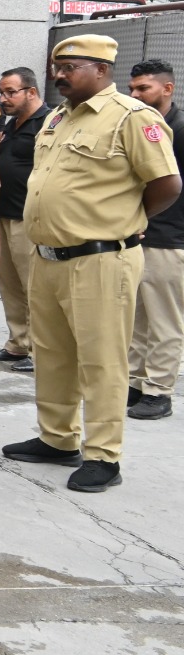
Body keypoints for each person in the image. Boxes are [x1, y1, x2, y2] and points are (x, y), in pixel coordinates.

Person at [5, 34, 180, 492]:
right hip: (48, 256)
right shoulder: (58, 119)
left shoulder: (131, 118)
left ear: (102, 70)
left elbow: (166, 183)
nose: (59, 75)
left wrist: (129, 217)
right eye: (56, 67)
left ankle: (105, 456)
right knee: (53, 353)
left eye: (71, 67)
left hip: (100, 259)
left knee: (102, 361)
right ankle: (59, 439)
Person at [126, 59, 184, 420]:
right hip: (137, 236)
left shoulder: (180, 127)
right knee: (136, 319)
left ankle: (159, 390)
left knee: (165, 320)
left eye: (142, 88)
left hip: (171, 239)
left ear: (167, 88)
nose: (134, 95)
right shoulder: (140, 125)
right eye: (132, 88)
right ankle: (135, 382)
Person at [0, 67, 47, 373]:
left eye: (11, 92)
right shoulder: (11, 124)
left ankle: (39, 349)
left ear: (31, 92)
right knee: (9, 283)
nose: (4, 99)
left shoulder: (48, 123)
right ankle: (18, 343)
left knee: (33, 286)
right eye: (1, 92)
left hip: (27, 217)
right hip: (3, 213)